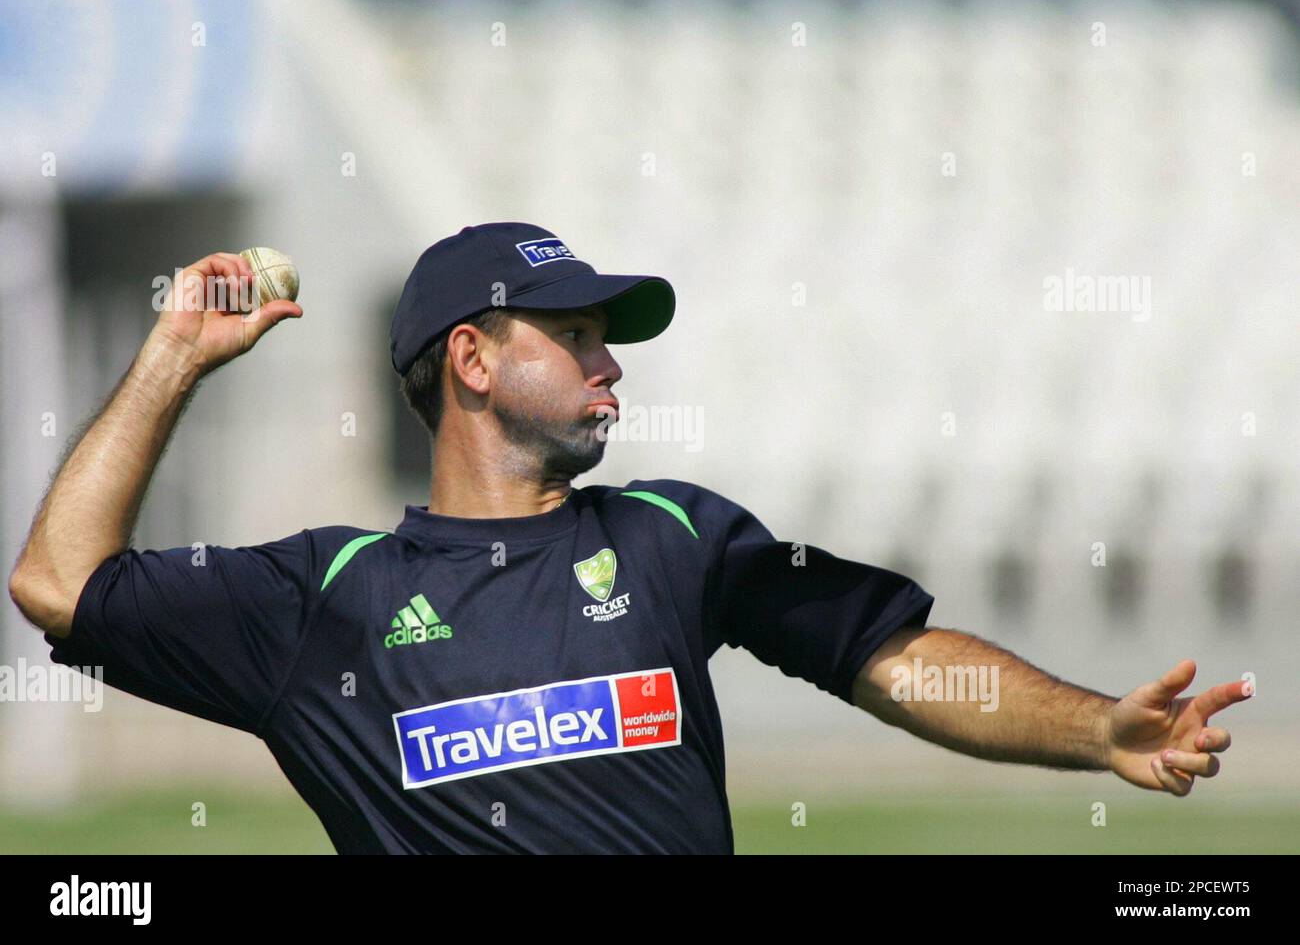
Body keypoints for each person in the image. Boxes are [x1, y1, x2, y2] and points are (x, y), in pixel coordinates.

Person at [9, 222, 1250, 854]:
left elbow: (896, 657)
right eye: (579, 334)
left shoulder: (676, 537)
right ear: (474, 358)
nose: (611, 368)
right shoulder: (327, 595)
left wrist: (1094, 727)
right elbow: (59, 581)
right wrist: (174, 353)